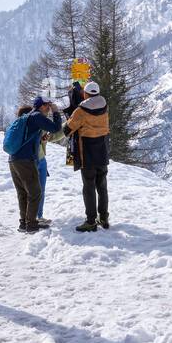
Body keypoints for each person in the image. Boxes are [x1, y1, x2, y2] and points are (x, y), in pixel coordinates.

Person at [7, 97, 62, 233]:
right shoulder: (37, 116)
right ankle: (31, 225)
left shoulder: (27, 117)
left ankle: (23, 224)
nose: (49, 108)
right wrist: (56, 112)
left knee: (23, 193)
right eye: (47, 105)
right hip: (25, 160)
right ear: (40, 106)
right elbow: (56, 128)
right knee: (35, 192)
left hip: (13, 159)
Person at [64, 81, 111, 232]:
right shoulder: (104, 106)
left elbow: (68, 129)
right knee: (102, 186)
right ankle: (103, 217)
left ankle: (91, 221)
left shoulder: (81, 111)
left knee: (89, 187)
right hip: (102, 151)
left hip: (88, 154)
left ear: (85, 93)